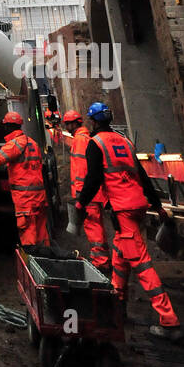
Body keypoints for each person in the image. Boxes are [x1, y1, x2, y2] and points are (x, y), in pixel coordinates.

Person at [74, 101, 182, 342]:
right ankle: (118, 307)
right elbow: (141, 176)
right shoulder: (124, 141)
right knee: (119, 258)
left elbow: (93, 179)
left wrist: (81, 204)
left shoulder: (96, 144)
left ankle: (170, 321)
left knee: (142, 265)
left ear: (93, 121)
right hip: (138, 207)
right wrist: (157, 206)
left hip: (123, 211)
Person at [0, 111, 49, 248]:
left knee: (28, 235)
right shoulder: (33, 143)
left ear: (7, 127)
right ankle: (47, 260)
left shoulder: (15, 144)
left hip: (25, 199)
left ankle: (32, 263)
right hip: (39, 197)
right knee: (41, 233)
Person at [64, 108, 109, 272]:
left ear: (75, 123)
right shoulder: (81, 138)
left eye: (68, 124)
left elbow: (84, 170)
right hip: (90, 193)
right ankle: (100, 259)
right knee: (94, 227)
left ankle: (101, 262)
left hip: (88, 194)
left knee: (94, 227)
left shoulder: (81, 140)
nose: (67, 127)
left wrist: (81, 195)